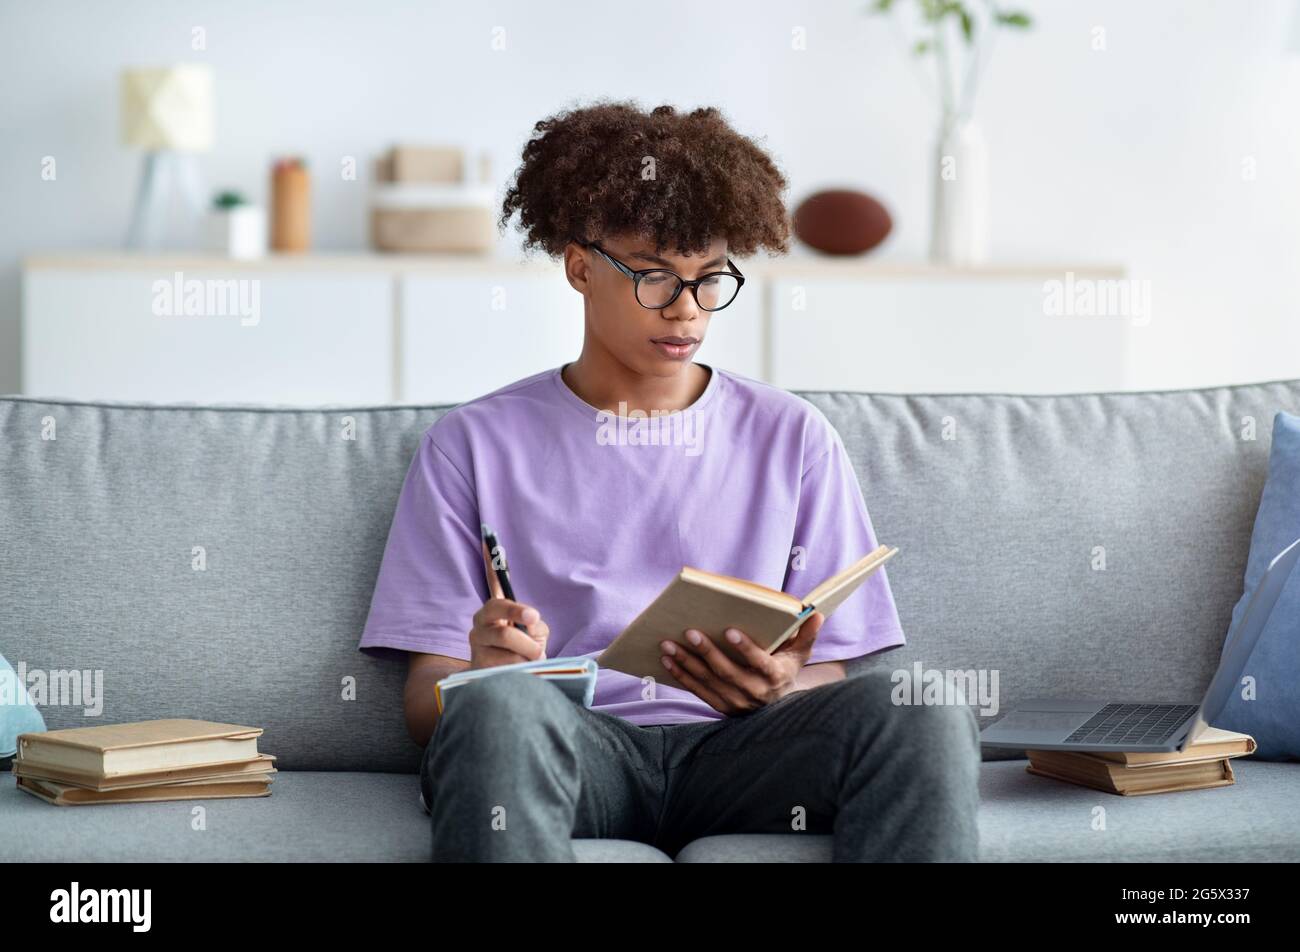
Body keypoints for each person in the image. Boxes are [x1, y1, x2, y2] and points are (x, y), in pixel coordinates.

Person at [358, 100, 981, 862]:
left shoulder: (793, 437)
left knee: (924, 710)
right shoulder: (472, 444)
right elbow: (427, 706)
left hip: (746, 755)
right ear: (580, 266)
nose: (687, 311)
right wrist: (484, 678)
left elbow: (829, 670)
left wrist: (782, 685)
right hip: (575, 755)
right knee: (496, 715)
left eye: (709, 279)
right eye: (655, 278)